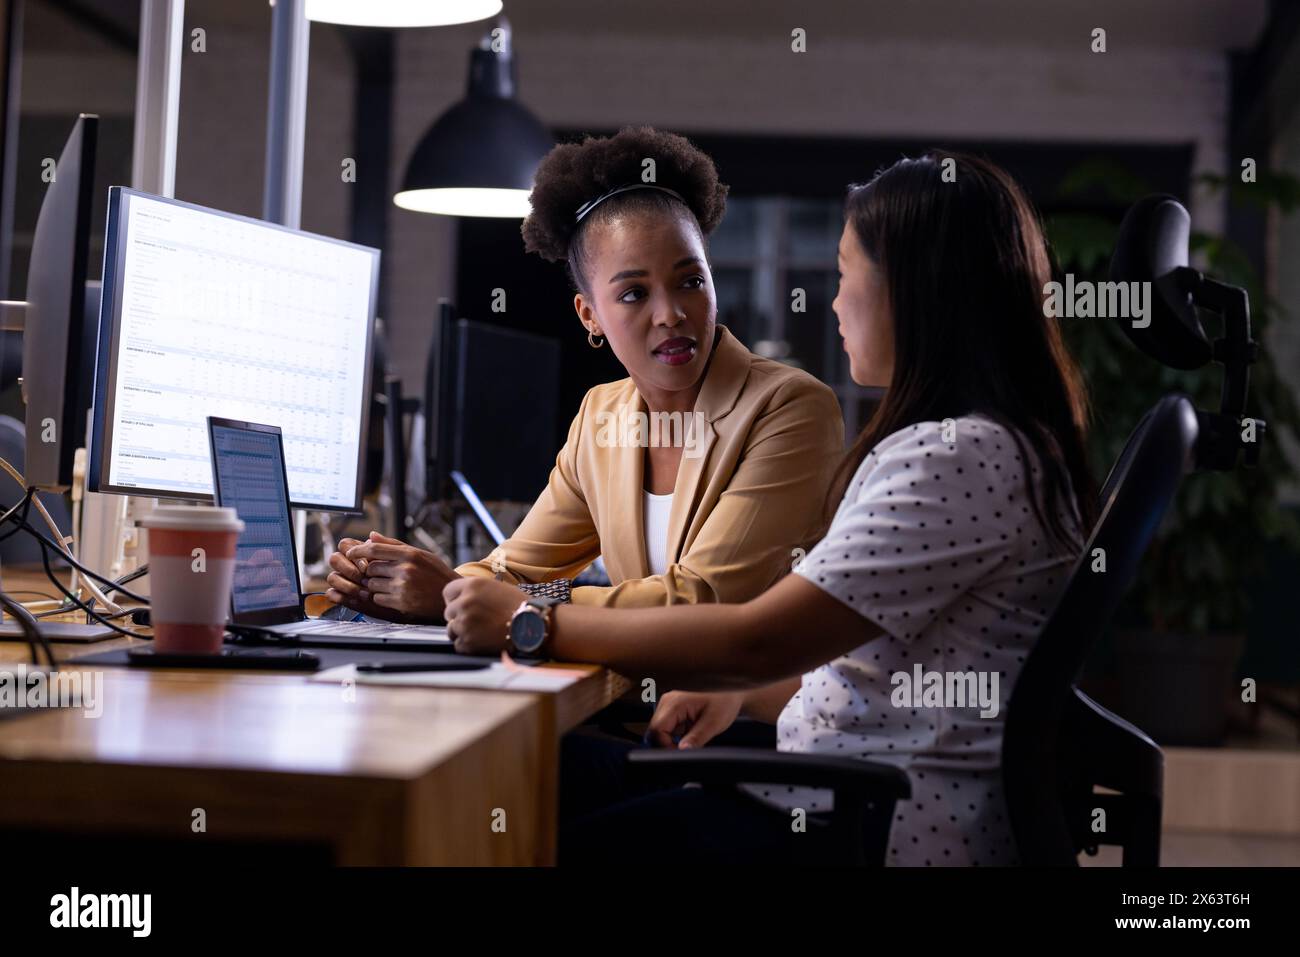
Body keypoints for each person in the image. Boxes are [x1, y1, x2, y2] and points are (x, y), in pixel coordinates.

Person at [442, 151, 1101, 866]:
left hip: (866, 820)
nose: (835, 302)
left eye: (847, 275)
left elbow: (757, 635)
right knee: (529, 777)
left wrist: (529, 620)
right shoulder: (983, 446)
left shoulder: (955, 457)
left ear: (915, 291)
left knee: (495, 822)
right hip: (829, 782)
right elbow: (864, 659)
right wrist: (747, 696)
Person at [324, 127, 843, 641]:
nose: (671, 314)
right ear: (589, 314)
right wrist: (400, 583)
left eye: (691, 281)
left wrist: (470, 601)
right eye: (635, 293)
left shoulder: (791, 409)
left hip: (748, 713)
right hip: (645, 698)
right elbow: (514, 569)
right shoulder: (603, 416)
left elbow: (703, 598)